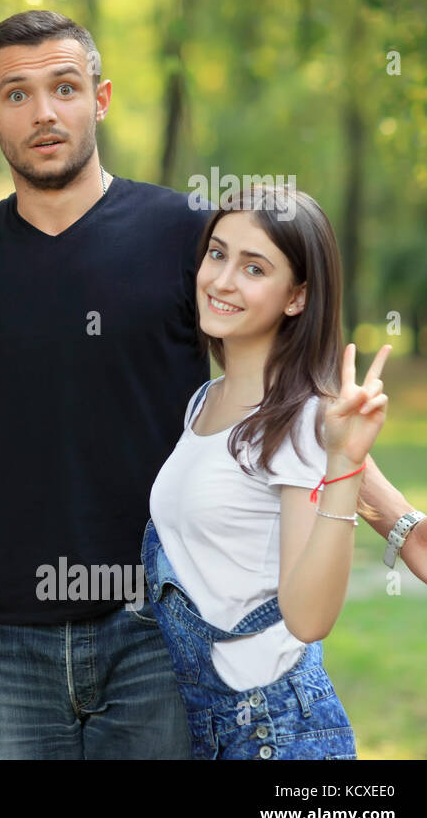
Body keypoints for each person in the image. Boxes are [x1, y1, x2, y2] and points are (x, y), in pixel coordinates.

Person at [0, 9, 427, 759]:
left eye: (65, 87)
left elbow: (287, 402)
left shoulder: (188, 237)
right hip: (5, 634)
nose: (44, 111)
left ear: (101, 97)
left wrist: (401, 524)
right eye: (17, 95)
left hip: (155, 628)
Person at [144, 186, 389, 759]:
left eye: (254, 267)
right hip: (213, 725)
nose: (223, 280)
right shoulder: (203, 402)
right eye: (218, 254)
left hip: (277, 732)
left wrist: (345, 466)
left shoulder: (303, 418)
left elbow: (308, 617)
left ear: (297, 297)